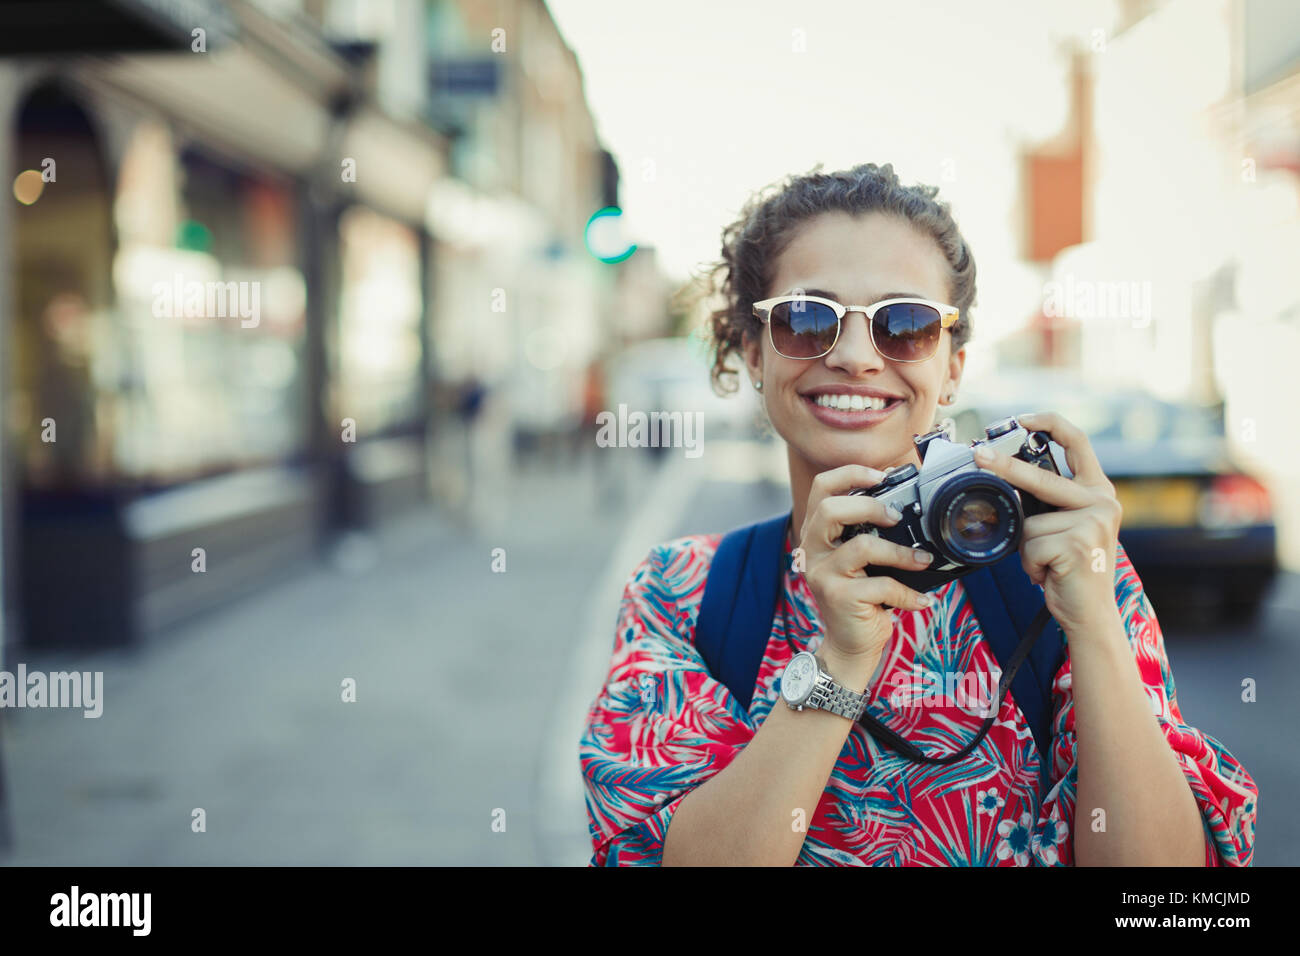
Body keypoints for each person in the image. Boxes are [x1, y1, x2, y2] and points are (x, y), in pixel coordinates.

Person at [578, 162, 1258, 866]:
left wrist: (1095, 627)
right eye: (808, 320)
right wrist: (839, 666)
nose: (852, 357)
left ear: (953, 367)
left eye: (903, 325)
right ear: (753, 351)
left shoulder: (1059, 571)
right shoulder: (684, 593)